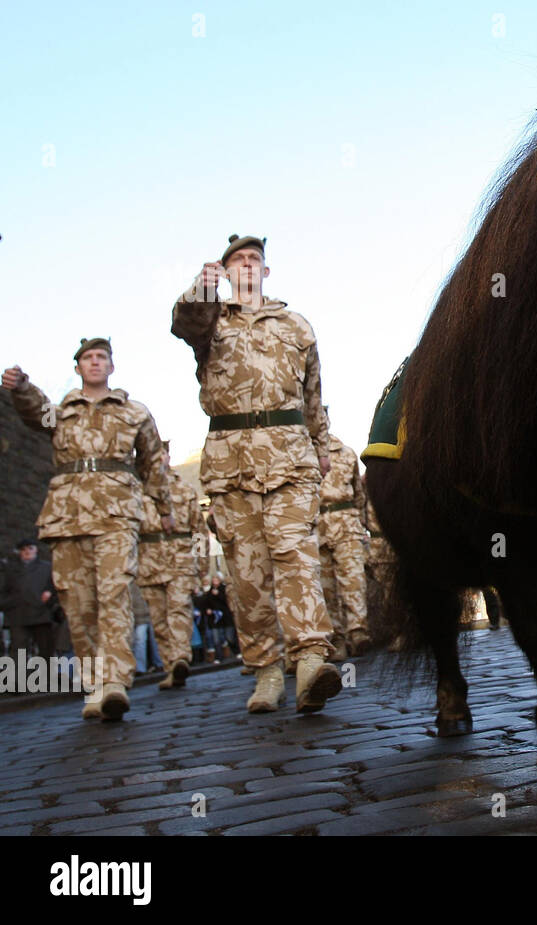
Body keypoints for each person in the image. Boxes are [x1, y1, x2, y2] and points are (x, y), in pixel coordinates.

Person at [171, 234, 342, 714]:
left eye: (254, 259)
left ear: (266, 271)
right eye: (237, 260)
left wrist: (322, 446)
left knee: (297, 558)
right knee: (247, 575)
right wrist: (200, 290)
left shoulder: (297, 325)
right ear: (227, 273)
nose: (247, 265)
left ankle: (309, 661)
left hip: (290, 457)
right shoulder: (212, 322)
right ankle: (266, 670)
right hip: (230, 462)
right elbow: (184, 322)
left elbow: (313, 395)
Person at [4, 338, 172, 720]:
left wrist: (163, 508)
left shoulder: (134, 411)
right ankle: (95, 683)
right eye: (87, 358)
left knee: (114, 593)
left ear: (111, 366)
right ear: (78, 367)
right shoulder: (61, 412)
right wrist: (23, 387)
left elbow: (151, 462)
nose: (95, 363)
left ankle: (115, 681)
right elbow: (34, 413)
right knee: (78, 604)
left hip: (116, 513)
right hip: (67, 516)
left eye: (101, 357)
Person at [138, 443, 204, 689]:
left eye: (162, 454)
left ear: (168, 457)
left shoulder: (185, 490)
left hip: (181, 559)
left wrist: (203, 568)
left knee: (179, 610)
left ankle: (180, 658)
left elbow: (199, 530)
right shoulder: (138, 490)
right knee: (158, 617)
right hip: (149, 559)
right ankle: (170, 666)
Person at [317, 425, 371, 660]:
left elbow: (359, 494)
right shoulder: (299, 453)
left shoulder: (347, 453)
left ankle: (357, 632)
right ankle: (336, 639)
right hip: (316, 525)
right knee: (324, 586)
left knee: (353, 579)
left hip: (346, 521)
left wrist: (358, 521)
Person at [0, 539, 59, 659]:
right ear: (19, 552)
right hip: (18, 615)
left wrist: (49, 596)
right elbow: (3, 590)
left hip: (42, 614)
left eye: (30, 548)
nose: (27, 551)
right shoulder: (10, 569)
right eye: (23, 549)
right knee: (18, 650)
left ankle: (44, 676)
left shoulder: (47, 568)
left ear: (36, 549)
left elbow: (56, 588)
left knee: (45, 649)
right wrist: (8, 604)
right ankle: (18, 677)